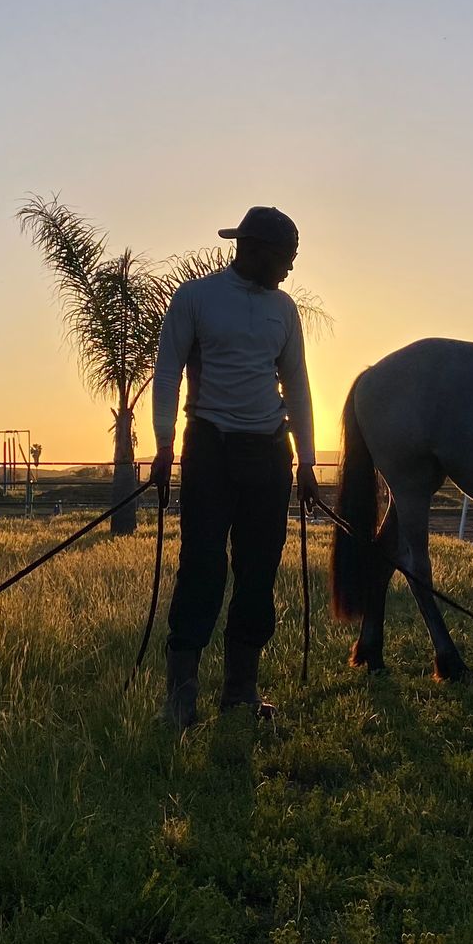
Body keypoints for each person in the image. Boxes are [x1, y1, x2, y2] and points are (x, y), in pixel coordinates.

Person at [149, 206, 318, 727]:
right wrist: (162, 447)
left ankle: (241, 693)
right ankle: (182, 696)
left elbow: (298, 386)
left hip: (269, 454)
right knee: (201, 564)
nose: (290, 267)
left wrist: (308, 462)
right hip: (210, 450)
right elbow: (167, 372)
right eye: (284, 256)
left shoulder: (285, 310)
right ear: (252, 249)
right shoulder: (196, 298)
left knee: (258, 570)